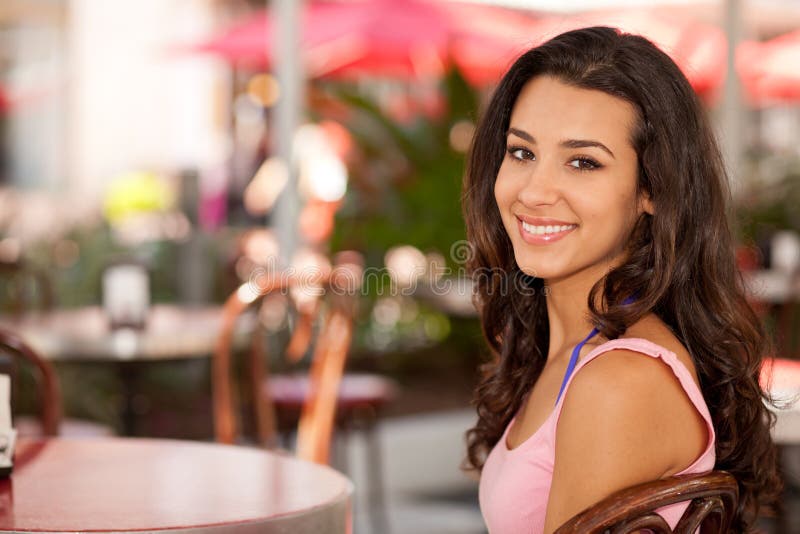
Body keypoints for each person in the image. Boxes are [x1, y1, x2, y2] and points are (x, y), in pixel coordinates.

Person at [461, 26, 782, 533]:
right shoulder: (574, 347)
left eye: (582, 162)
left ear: (651, 190)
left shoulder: (619, 383)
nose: (535, 192)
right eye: (522, 152)